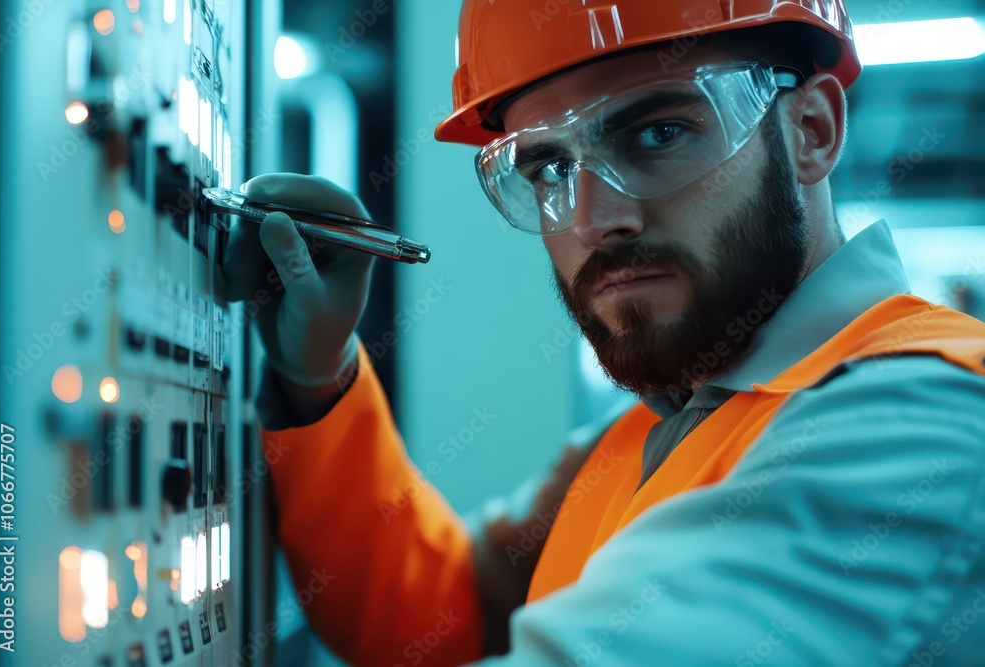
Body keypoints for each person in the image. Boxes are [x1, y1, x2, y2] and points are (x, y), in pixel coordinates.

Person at [223, 1, 985, 664]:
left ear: (812, 131)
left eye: (657, 134)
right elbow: (434, 619)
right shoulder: (656, 428)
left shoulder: (920, 422)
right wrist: (319, 379)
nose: (592, 219)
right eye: (549, 169)